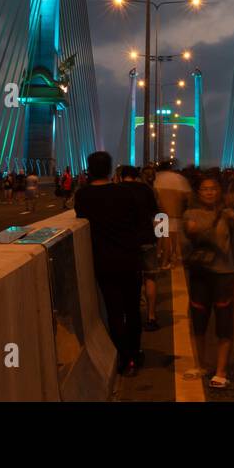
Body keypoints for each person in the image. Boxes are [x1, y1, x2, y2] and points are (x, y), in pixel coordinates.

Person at [75, 152, 154, 376]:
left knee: (114, 311)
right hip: (129, 258)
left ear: (89, 169)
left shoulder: (83, 196)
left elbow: (82, 220)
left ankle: (124, 358)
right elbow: (140, 223)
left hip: (103, 261)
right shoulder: (126, 192)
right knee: (132, 308)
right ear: (111, 169)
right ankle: (136, 353)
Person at [183, 172, 234, 389]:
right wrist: (216, 217)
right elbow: (191, 232)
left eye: (213, 188)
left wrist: (228, 211)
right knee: (199, 323)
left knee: (224, 324)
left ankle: (221, 371)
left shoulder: (228, 214)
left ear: (219, 192)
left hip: (224, 274)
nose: (209, 192)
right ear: (199, 192)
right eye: (205, 189)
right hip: (200, 273)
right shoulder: (190, 213)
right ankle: (201, 364)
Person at [118, 165, 162, 332]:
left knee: (127, 280)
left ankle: (128, 316)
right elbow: (157, 215)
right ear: (136, 176)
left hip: (126, 243)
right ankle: (151, 316)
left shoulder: (117, 190)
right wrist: (159, 238)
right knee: (150, 278)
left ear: (122, 176)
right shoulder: (146, 190)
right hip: (147, 240)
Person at [153, 163, 191, 268]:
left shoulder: (157, 177)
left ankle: (161, 258)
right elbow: (188, 196)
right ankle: (171, 257)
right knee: (172, 236)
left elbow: (154, 195)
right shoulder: (179, 178)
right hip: (174, 213)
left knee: (161, 237)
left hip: (159, 212)